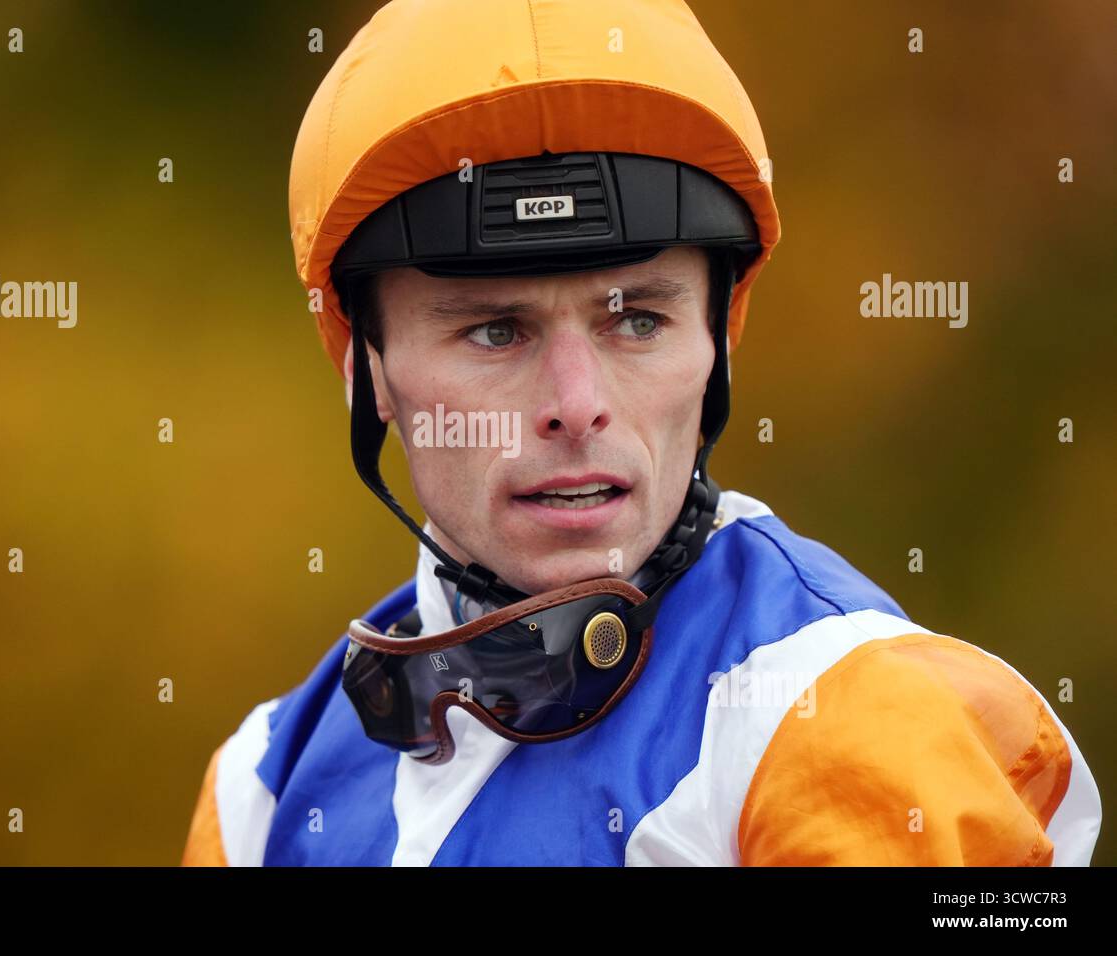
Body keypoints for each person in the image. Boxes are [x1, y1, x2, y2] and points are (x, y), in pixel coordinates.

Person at [181, 0, 1101, 866]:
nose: (577, 403)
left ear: (719, 341)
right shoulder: (259, 793)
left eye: (637, 321)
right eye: (496, 331)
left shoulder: (852, 719)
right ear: (366, 370)